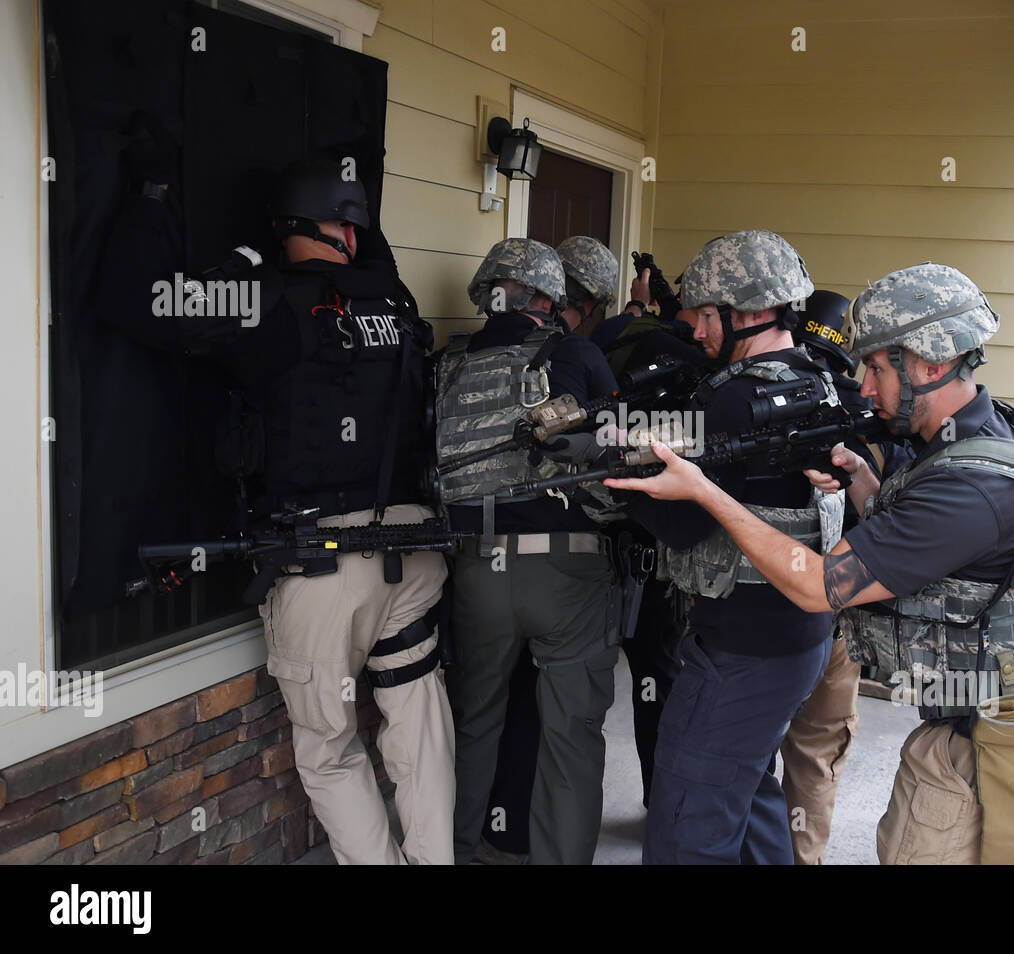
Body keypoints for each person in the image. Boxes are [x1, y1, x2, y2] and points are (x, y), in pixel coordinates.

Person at [609, 262, 1014, 865]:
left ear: (931, 364)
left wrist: (706, 492)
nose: (865, 387)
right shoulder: (980, 443)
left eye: (878, 367)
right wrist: (865, 482)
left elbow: (819, 585)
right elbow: (928, 545)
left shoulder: (970, 491)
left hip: (989, 756)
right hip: (999, 730)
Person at [99, 156, 455, 864]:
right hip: (414, 553)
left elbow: (133, 303)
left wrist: (151, 199)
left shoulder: (270, 306)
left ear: (290, 230)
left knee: (327, 752)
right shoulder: (401, 308)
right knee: (419, 730)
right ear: (352, 233)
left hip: (323, 570)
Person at [614, 229, 841, 865]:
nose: (693, 329)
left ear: (743, 314)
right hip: (800, 637)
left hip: (741, 648)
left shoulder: (733, 397)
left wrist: (620, 482)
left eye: (703, 314)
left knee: (689, 822)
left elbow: (685, 526)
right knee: (749, 792)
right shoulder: (815, 382)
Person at [434, 237, 622, 865]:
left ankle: (460, 850)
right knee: (571, 735)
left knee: (474, 722)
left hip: (474, 566)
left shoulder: (450, 362)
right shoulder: (577, 352)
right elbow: (617, 458)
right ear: (549, 298)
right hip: (565, 567)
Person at [780, 289, 862, 865]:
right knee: (814, 749)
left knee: (748, 746)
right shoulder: (869, 410)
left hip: (761, 607)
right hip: (839, 611)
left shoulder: (754, 394)